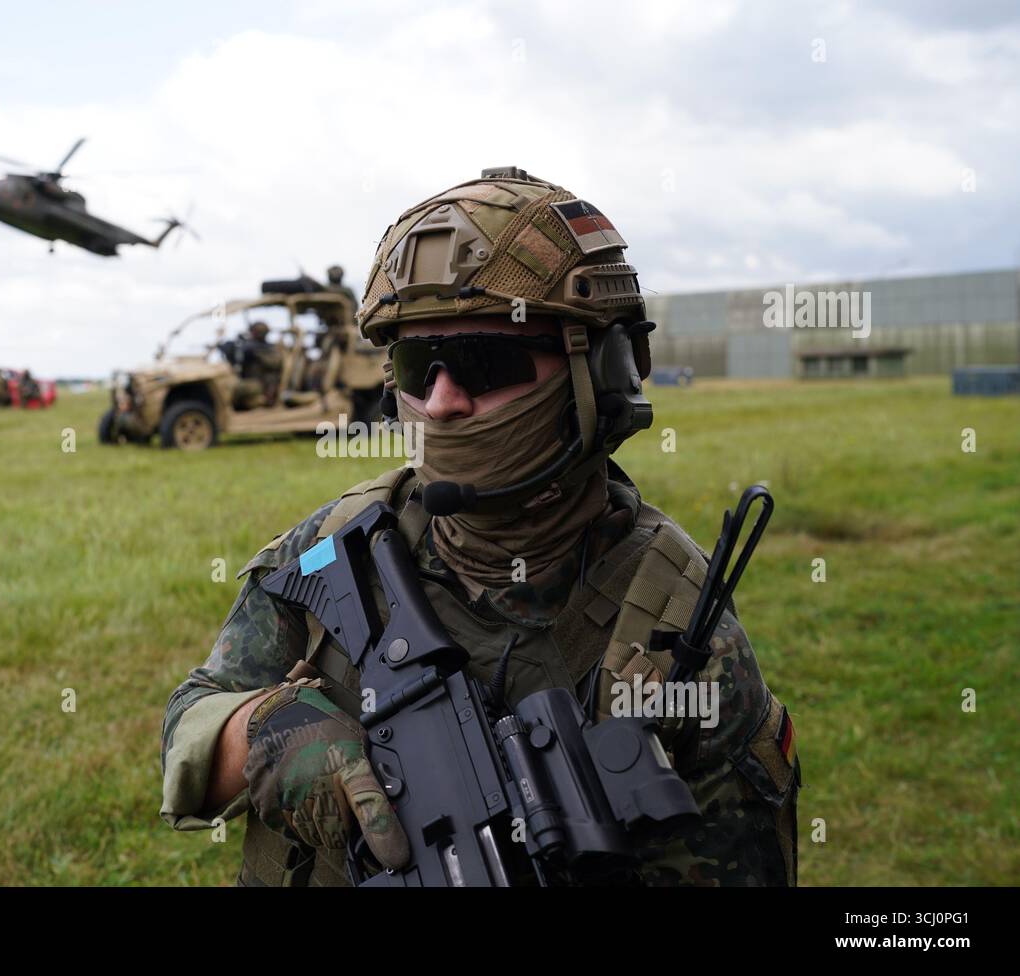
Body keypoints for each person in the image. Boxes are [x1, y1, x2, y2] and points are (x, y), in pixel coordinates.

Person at [160, 167, 800, 887]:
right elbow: (192, 715)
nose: (439, 403)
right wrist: (263, 730)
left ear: (603, 374)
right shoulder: (335, 546)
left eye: (482, 363)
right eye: (415, 364)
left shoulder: (680, 633)